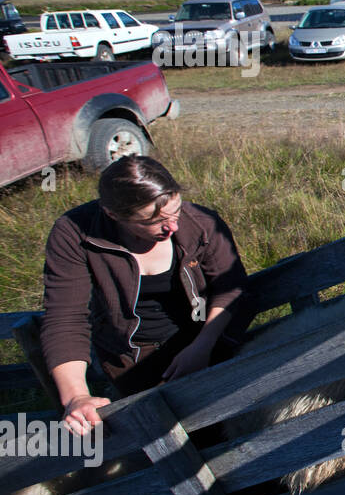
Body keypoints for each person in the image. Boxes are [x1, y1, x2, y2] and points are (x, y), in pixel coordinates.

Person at [40, 156, 255, 436]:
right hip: (132, 360)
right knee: (163, 438)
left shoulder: (200, 224)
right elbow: (65, 318)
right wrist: (77, 397)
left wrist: (203, 346)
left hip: (205, 343)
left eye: (175, 211)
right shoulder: (75, 235)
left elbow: (233, 288)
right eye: (154, 221)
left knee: (228, 430)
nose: (172, 227)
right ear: (114, 215)